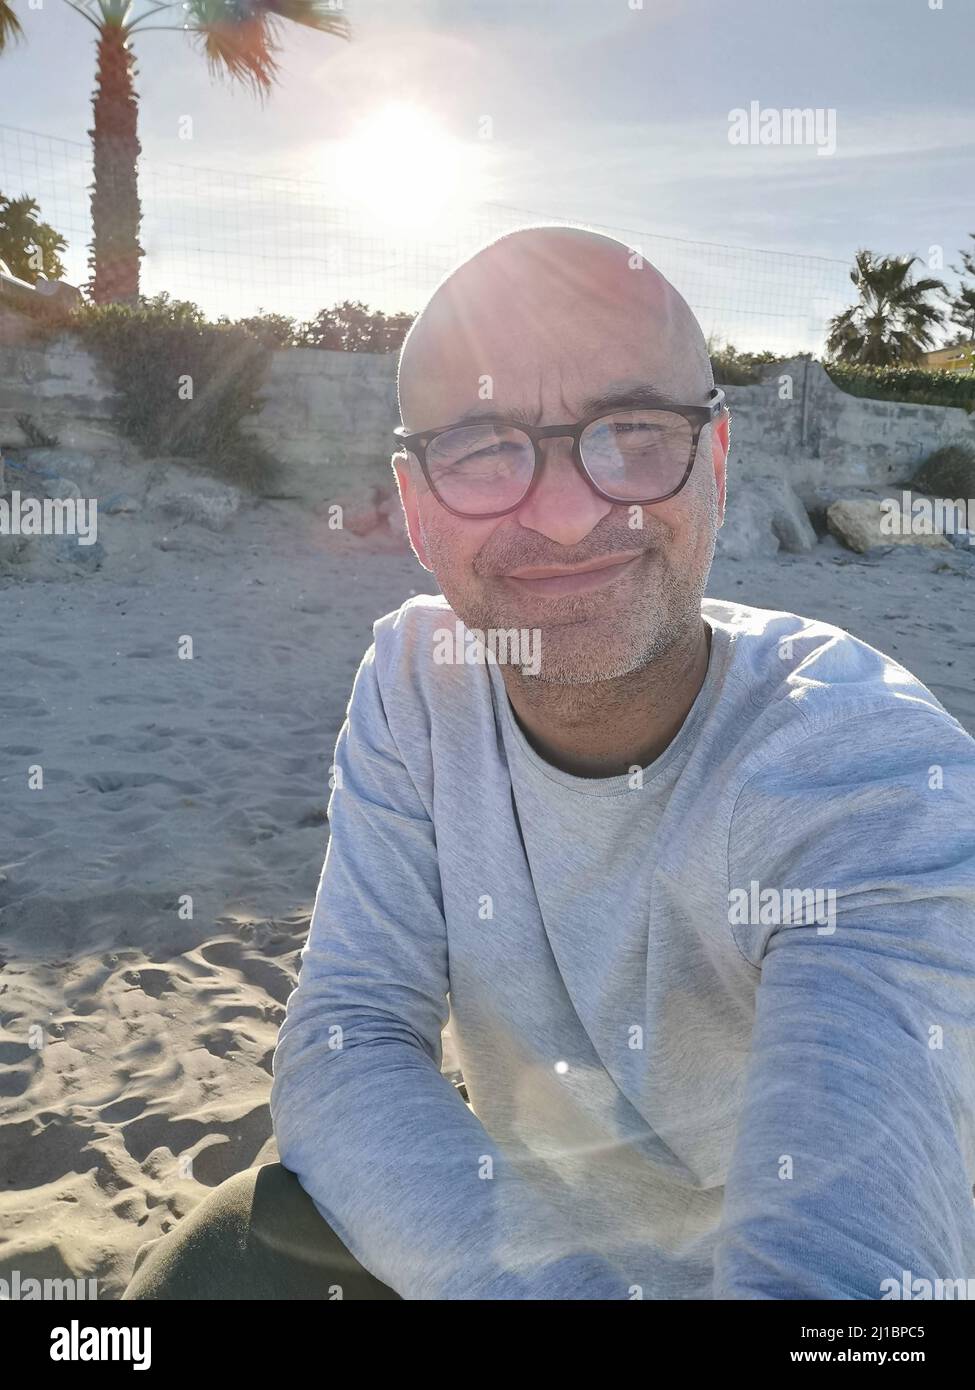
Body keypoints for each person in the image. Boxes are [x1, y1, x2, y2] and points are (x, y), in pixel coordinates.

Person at [124, 224, 975, 1302]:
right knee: (216, 1267)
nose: (569, 513)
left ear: (714, 464)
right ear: (418, 508)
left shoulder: (873, 775)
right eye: (483, 449)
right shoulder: (415, 685)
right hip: (525, 1250)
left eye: (632, 428)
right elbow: (351, 1034)